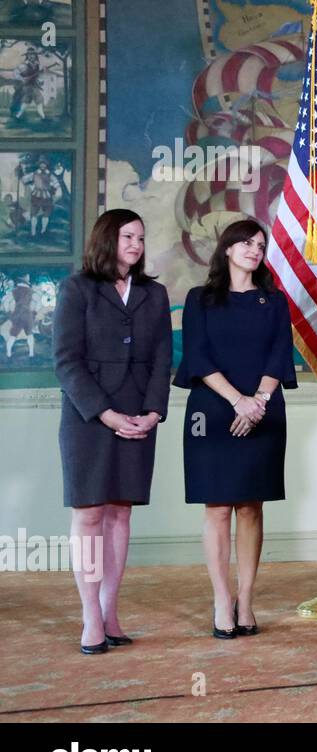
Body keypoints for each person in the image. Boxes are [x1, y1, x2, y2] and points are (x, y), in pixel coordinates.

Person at [54, 210, 172, 653]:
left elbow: (163, 358)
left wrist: (154, 412)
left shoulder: (154, 293)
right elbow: (67, 361)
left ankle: (110, 610)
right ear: (107, 239)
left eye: (141, 237)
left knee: (121, 512)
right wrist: (104, 413)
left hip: (139, 414)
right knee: (88, 514)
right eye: (128, 236)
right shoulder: (76, 289)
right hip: (88, 419)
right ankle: (89, 616)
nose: (136, 245)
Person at [174, 219, 297, 638]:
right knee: (218, 507)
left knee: (250, 507)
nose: (254, 249)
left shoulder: (274, 301)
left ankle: (246, 600)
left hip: (264, 410)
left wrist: (258, 402)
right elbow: (197, 355)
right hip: (212, 411)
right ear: (227, 248)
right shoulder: (199, 299)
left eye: (260, 245)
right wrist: (238, 402)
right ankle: (221, 600)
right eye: (245, 242)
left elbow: (280, 355)